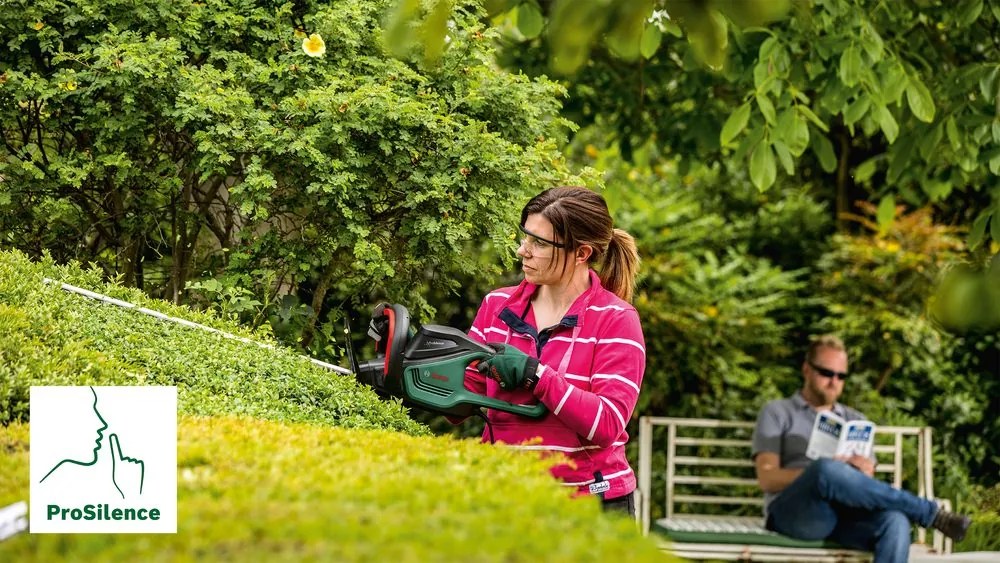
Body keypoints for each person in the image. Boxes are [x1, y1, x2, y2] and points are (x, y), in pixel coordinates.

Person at [460, 186, 645, 517]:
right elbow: (462, 398)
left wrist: (536, 375)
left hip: (590, 506)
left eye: (539, 244)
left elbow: (607, 424)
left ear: (582, 253)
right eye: (526, 237)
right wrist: (406, 365)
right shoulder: (497, 307)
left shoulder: (616, 320)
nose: (522, 251)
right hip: (503, 498)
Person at [751, 335, 972, 563]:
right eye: (826, 373)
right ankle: (930, 513)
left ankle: (926, 513)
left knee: (895, 521)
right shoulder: (777, 412)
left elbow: (866, 485)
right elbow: (767, 478)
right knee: (825, 469)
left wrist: (862, 470)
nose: (834, 381)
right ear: (807, 369)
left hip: (845, 516)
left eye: (841, 376)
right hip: (797, 513)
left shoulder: (854, 420)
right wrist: (822, 472)